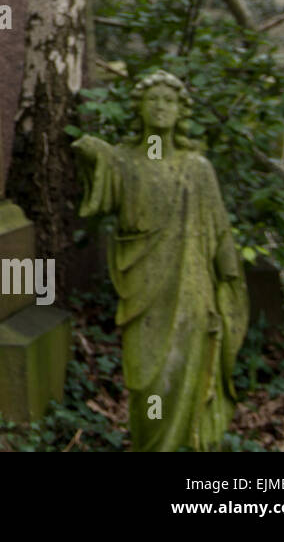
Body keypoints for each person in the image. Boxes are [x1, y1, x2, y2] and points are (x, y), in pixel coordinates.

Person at [72, 69, 248, 451]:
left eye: (169, 100)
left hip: (191, 290)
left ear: (181, 110)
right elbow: (104, 190)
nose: (161, 107)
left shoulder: (197, 168)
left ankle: (186, 444)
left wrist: (227, 284)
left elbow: (219, 232)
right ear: (139, 108)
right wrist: (90, 152)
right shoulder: (125, 162)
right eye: (153, 99)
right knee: (146, 374)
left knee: (185, 366)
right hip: (142, 291)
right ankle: (151, 445)